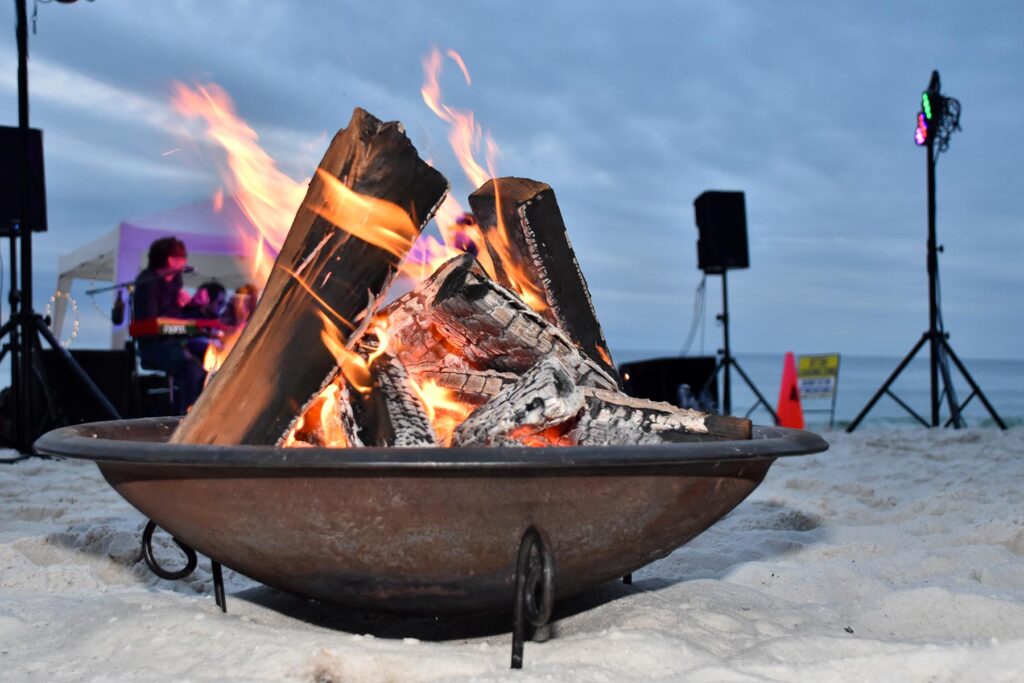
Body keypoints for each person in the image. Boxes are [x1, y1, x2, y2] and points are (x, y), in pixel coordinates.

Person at [131, 237, 205, 414]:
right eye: (183, 257)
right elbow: (151, 324)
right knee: (190, 367)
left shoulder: (176, 279)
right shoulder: (147, 283)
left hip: (176, 341)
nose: (185, 261)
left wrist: (191, 304)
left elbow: (177, 313)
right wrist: (180, 315)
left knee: (209, 353)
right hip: (155, 346)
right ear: (171, 260)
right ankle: (188, 415)